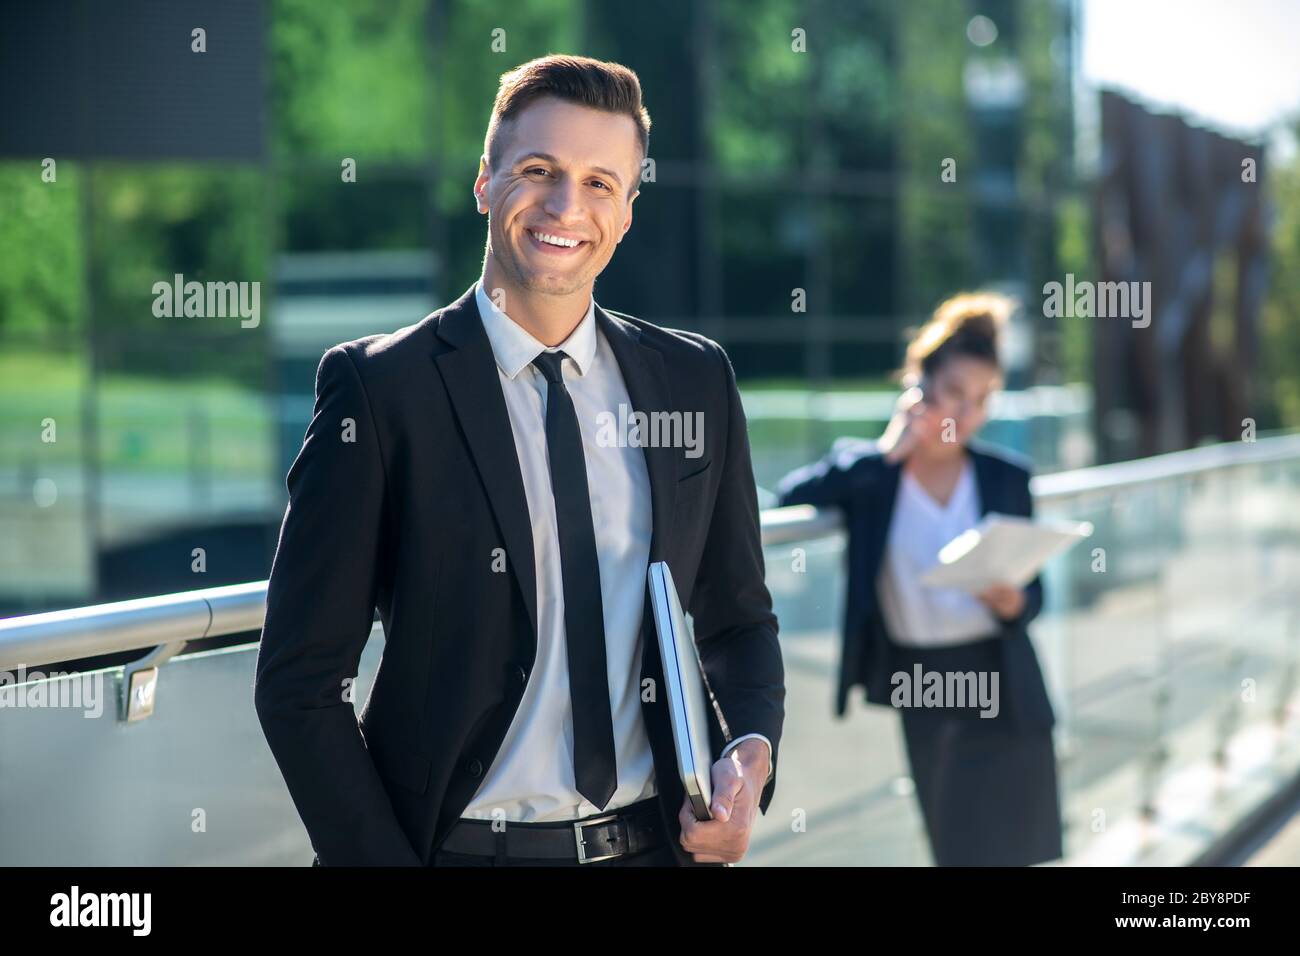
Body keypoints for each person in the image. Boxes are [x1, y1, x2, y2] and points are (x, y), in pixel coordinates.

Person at [254, 54, 784, 867]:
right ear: (484, 182)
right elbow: (299, 683)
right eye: (539, 170)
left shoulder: (694, 380)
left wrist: (750, 752)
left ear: (629, 209)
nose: (566, 205)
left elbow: (737, 618)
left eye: (601, 182)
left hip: (654, 848)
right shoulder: (380, 390)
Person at [776, 292, 1062, 866]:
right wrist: (887, 451)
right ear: (919, 385)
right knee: (957, 848)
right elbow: (791, 499)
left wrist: (1013, 600)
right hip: (923, 682)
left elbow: (1035, 595)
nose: (969, 412)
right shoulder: (875, 476)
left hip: (1004, 677)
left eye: (983, 399)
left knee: (1027, 848)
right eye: (956, 392)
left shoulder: (1005, 477)